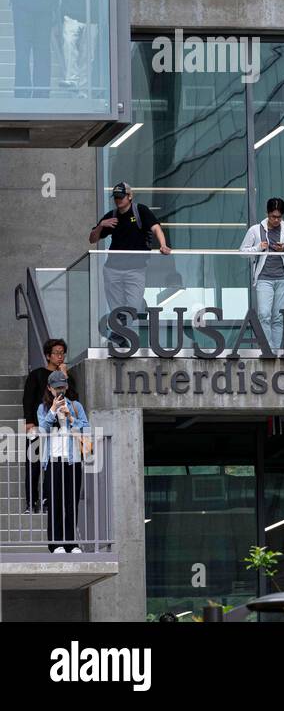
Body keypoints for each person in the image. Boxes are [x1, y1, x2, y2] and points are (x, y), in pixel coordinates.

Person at [90, 182, 171, 334]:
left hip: (135, 269)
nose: (118, 200)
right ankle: (121, 336)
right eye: (116, 197)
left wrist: (163, 245)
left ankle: (141, 308)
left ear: (129, 196)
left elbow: (155, 227)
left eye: (121, 197)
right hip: (112, 269)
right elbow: (92, 239)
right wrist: (101, 225)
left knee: (132, 306)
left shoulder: (140, 211)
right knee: (117, 310)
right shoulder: (112, 216)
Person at [37, 371, 90, 553]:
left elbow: (86, 428)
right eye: (56, 388)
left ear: (67, 386)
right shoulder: (43, 408)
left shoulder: (75, 406)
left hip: (72, 460)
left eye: (63, 387)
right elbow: (42, 431)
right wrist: (53, 411)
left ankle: (71, 544)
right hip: (52, 461)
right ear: (50, 388)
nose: (60, 391)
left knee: (71, 503)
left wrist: (70, 417)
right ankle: (55, 544)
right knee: (55, 503)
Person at [239, 197, 284, 351]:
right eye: (273, 216)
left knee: (278, 317)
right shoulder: (255, 230)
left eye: (279, 217)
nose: (276, 220)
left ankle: (275, 351)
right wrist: (258, 248)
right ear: (267, 214)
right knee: (264, 314)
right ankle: (268, 349)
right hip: (263, 278)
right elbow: (242, 252)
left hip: (283, 279)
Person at [23, 339, 77, 514]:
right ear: (48, 355)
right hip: (40, 425)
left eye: (62, 353)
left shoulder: (67, 377)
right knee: (34, 463)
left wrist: (65, 376)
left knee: (52, 465)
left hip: (59, 430)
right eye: (56, 353)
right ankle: (31, 502)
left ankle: (48, 500)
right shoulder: (37, 374)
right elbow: (28, 399)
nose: (60, 356)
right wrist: (29, 421)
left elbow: (74, 398)